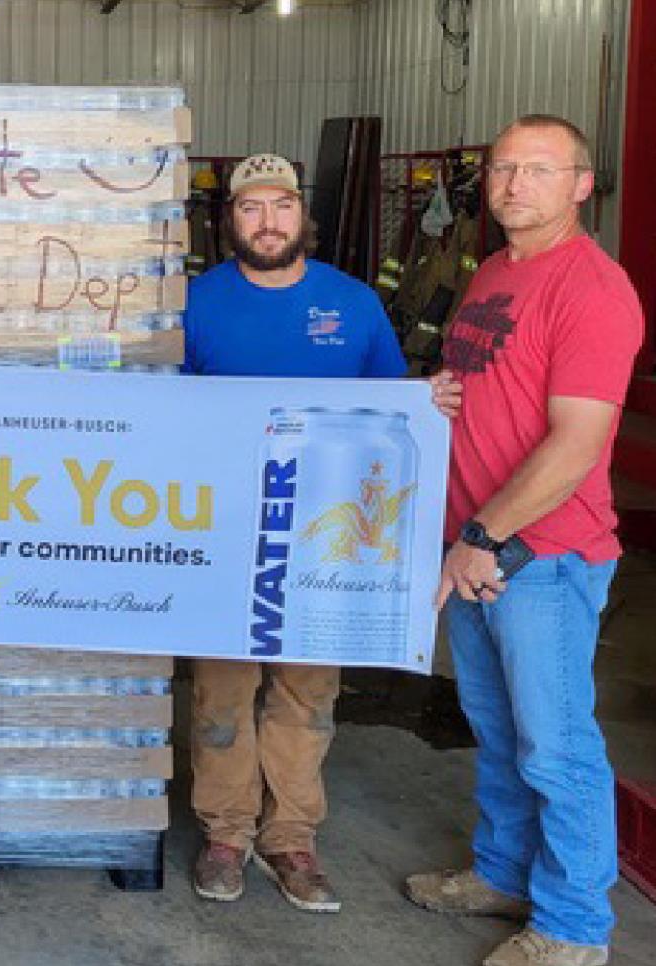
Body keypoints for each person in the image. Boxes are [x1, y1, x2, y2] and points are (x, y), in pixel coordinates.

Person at [182, 153, 458, 913]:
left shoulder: (355, 304)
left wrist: (425, 399)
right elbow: (162, 418)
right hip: (228, 531)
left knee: (306, 692)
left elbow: (392, 409)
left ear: (304, 217)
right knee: (222, 691)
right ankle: (227, 834)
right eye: (249, 209)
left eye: (280, 207)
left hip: (325, 540)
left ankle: (292, 839)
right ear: (228, 219)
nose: (266, 222)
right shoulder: (196, 304)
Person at [406, 115, 643, 966]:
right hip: (476, 547)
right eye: (504, 169)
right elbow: (491, 384)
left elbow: (576, 445)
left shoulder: (593, 289)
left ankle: (576, 927)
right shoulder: (497, 273)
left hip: (540, 556)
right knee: (499, 731)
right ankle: (505, 874)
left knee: (558, 743)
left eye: (539, 171)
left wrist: (480, 536)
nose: (514, 185)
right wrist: (444, 390)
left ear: (582, 184)